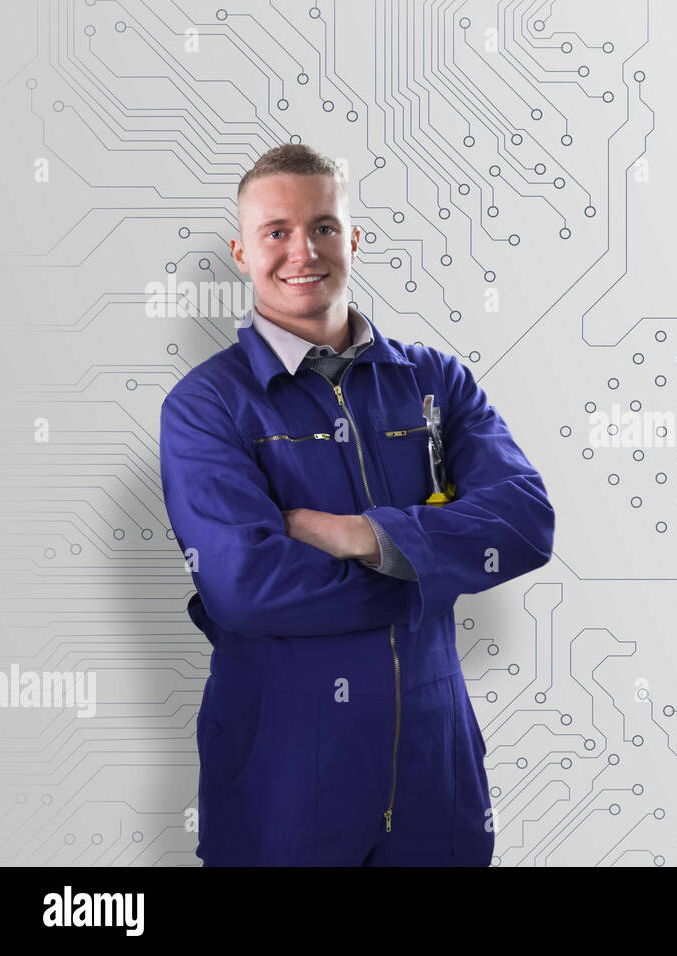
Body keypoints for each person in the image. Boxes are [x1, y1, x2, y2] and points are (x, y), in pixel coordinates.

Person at [159, 144, 555, 866]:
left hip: (437, 773)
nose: (301, 250)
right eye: (275, 231)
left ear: (352, 239)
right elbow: (245, 588)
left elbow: (526, 522)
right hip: (282, 777)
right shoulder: (207, 405)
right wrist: (430, 572)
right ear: (241, 253)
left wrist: (360, 535)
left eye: (323, 227)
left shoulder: (434, 381)